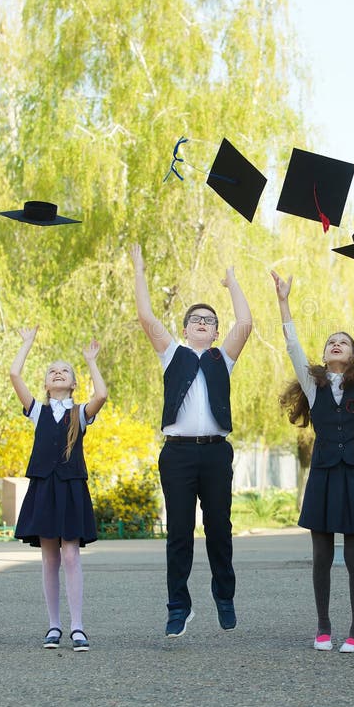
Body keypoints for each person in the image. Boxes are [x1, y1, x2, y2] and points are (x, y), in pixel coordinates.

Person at [130, 244, 252, 638]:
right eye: (196, 319)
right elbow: (146, 317)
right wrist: (139, 269)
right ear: (184, 328)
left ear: (216, 332)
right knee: (180, 532)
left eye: (210, 320)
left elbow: (246, 324)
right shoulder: (173, 354)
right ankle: (178, 607)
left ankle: (224, 596)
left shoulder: (223, 358)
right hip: (178, 455)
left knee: (219, 527)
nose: (202, 323)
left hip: (216, 454)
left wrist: (232, 283)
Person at [271, 266, 354, 654]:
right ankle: (323, 627)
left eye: (344, 342)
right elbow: (292, 346)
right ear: (323, 355)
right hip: (322, 475)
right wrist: (283, 301)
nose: (336, 344)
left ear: (353, 355)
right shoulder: (312, 383)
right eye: (331, 342)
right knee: (321, 556)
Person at [11, 327, 107, 651]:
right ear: (46, 382)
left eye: (64, 370)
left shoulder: (80, 413)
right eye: (52, 371)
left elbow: (102, 395)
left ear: (73, 382)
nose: (58, 373)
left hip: (70, 489)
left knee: (71, 556)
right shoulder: (37, 411)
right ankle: (54, 626)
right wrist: (27, 344)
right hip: (44, 489)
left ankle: (77, 627)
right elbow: (14, 373)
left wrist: (91, 361)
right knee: (49, 559)